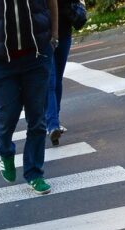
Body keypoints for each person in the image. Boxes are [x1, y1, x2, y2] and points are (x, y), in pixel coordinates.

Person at [0, 0, 59, 195]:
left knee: (37, 119)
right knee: (6, 115)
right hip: (0, 62)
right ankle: (5, 150)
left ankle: (34, 173)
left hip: (37, 55)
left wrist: (55, 35)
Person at [47, 0, 75, 145]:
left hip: (64, 31)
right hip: (44, 35)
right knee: (50, 81)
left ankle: (55, 119)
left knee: (57, 79)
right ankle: (52, 125)